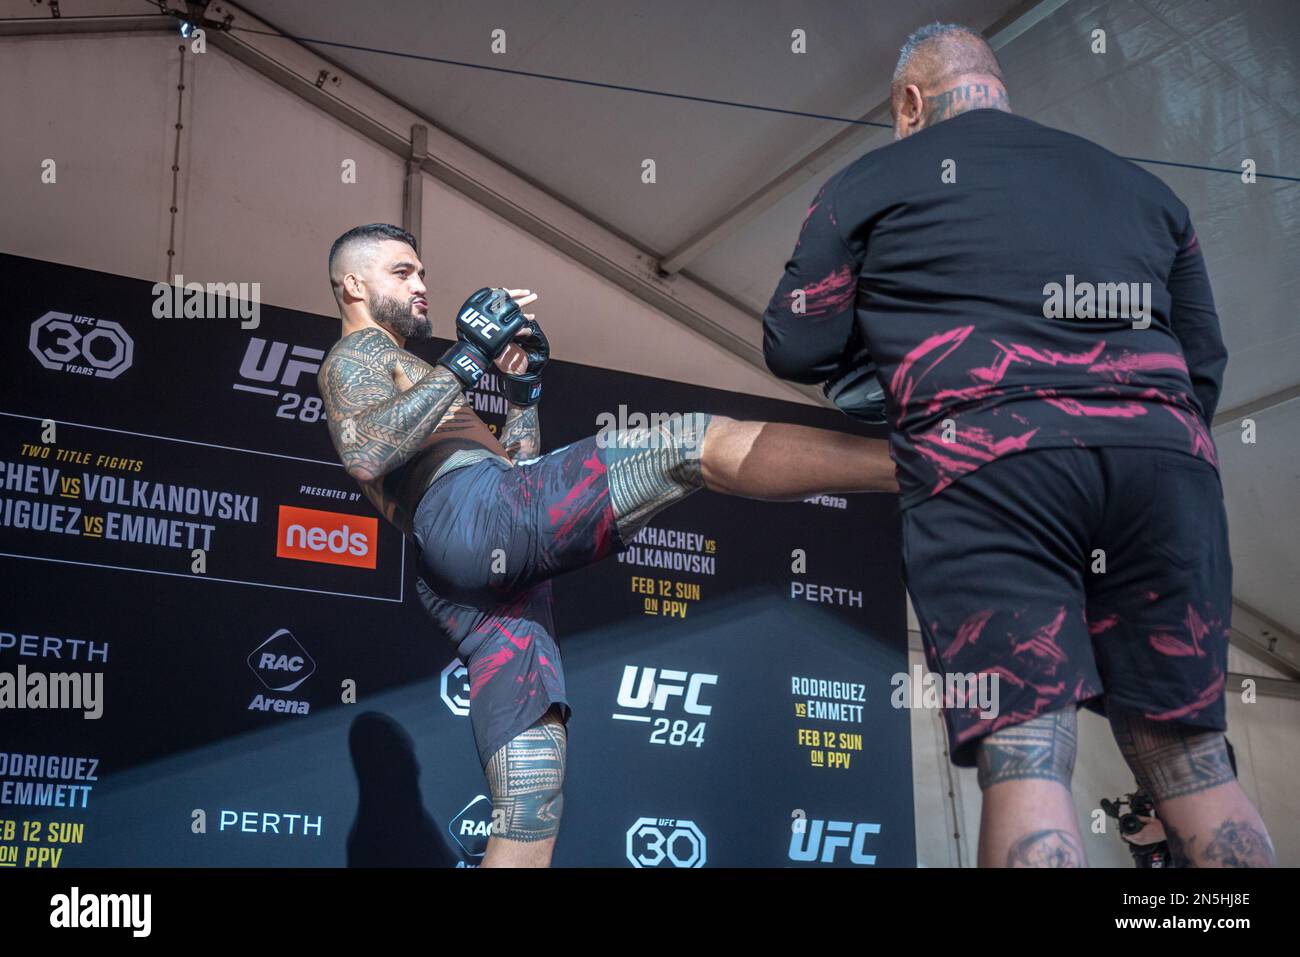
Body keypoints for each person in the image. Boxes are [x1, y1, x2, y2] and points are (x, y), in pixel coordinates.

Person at [763, 23, 1273, 867]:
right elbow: (1203, 361)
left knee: (1026, 758)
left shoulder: (869, 179)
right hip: (1165, 467)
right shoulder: (1142, 188)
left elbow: (796, 344)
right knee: (1192, 763)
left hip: (992, 468)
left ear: (910, 102)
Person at [318, 223, 898, 867]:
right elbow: (367, 453)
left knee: (526, 813)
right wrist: (468, 356)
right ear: (353, 285)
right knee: (690, 443)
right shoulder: (359, 356)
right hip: (468, 520)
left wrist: (521, 395)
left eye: (422, 272)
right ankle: (915, 460)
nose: (422, 285)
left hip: (479, 576)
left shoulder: (415, 375)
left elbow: (518, 478)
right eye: (403, 273)